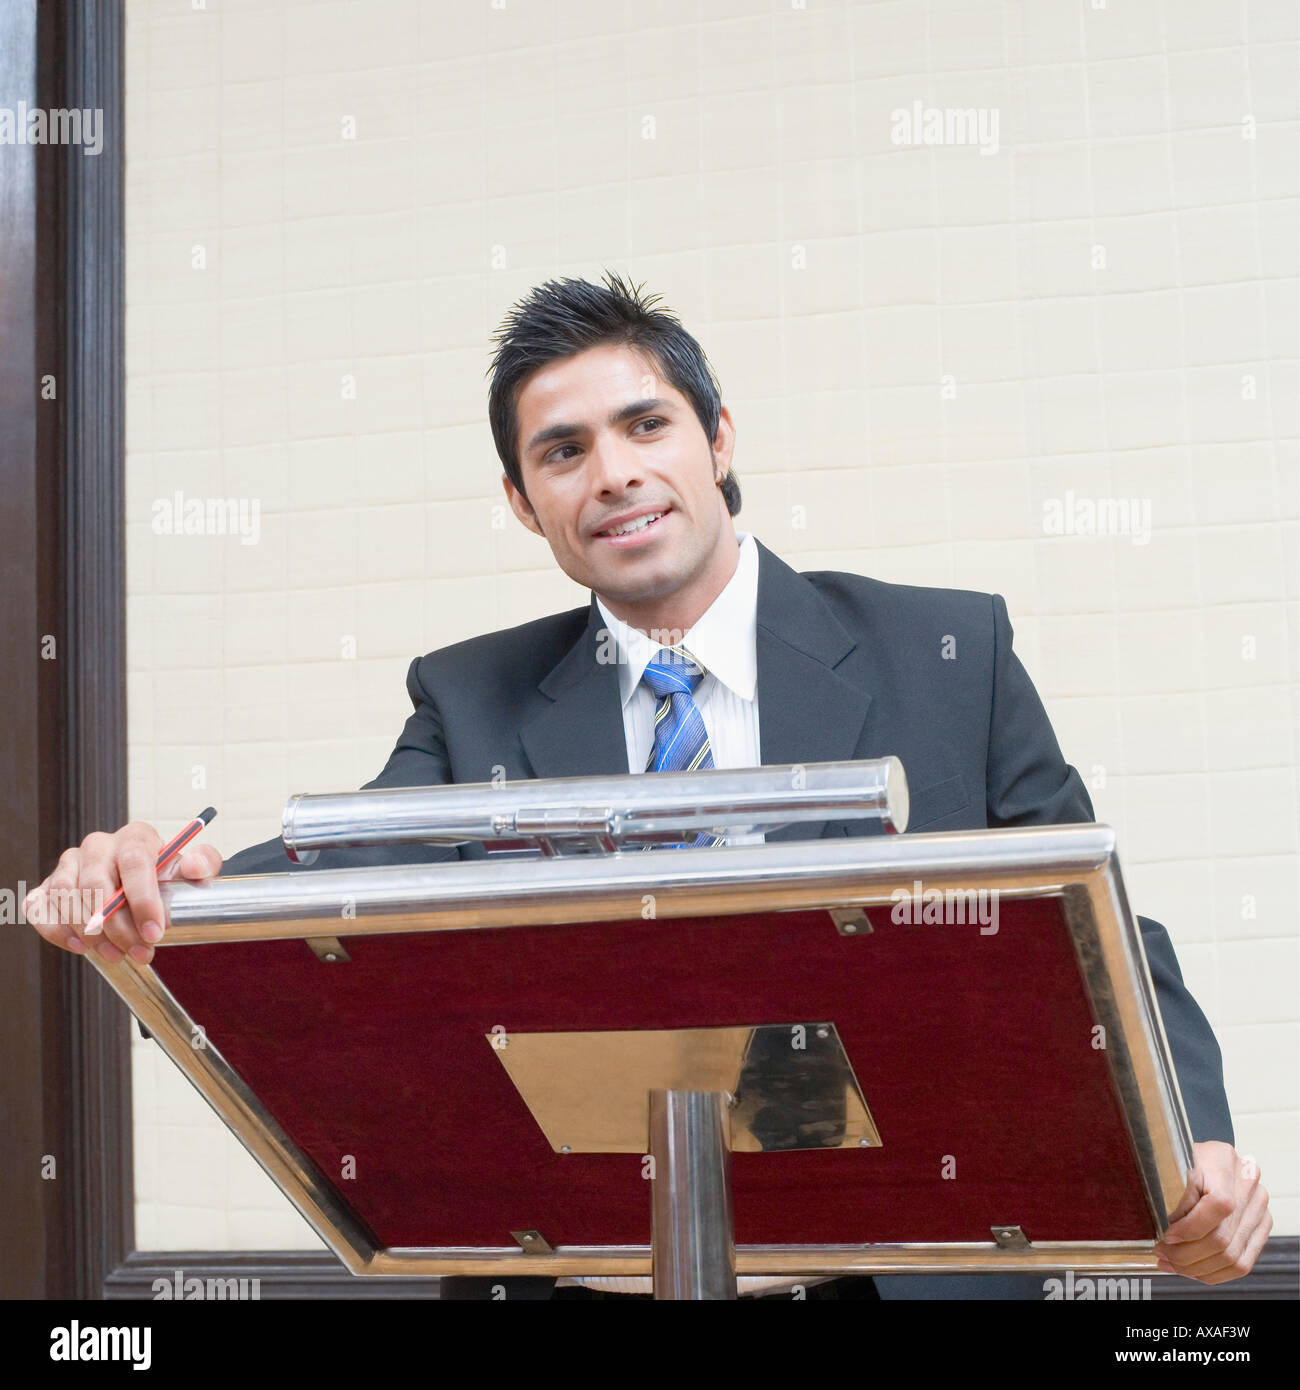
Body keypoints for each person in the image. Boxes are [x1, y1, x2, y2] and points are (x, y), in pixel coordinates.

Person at [28, 272, 1271, 1298]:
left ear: (718, 440)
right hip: (581, 1277)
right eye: (561, 452)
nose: (612, 473)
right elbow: (324, 895)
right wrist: (154, 898)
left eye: (645, 425)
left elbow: (1107, 936)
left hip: (895, 1273)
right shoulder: (473, 701)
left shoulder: (947, 649)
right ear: (525, 506)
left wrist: (1197, 1151)